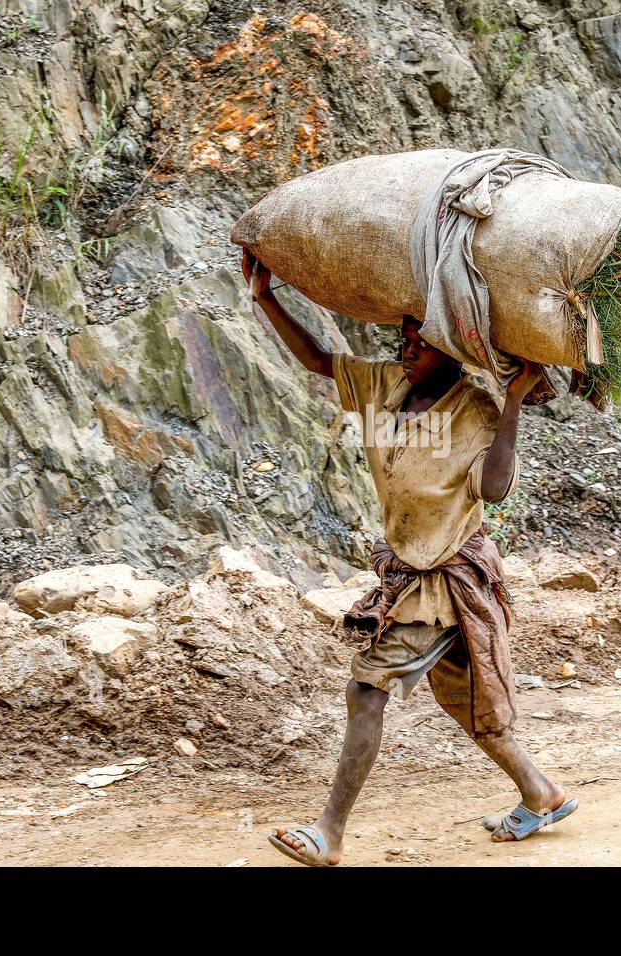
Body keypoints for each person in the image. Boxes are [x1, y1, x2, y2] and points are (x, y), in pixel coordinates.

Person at [243, 251, 577, 867]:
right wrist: (267, 298)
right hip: (409, 570)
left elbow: (495, 489)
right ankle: (542, 792)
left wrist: (513, 404)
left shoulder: (474, 410)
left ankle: (329, 834)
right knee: (469, 705)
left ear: (454, 352)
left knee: (367, 687)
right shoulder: (383, 388)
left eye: (421, 342)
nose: (407, 349)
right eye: (403, 338)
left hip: (446, 579)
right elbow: (320, 361)